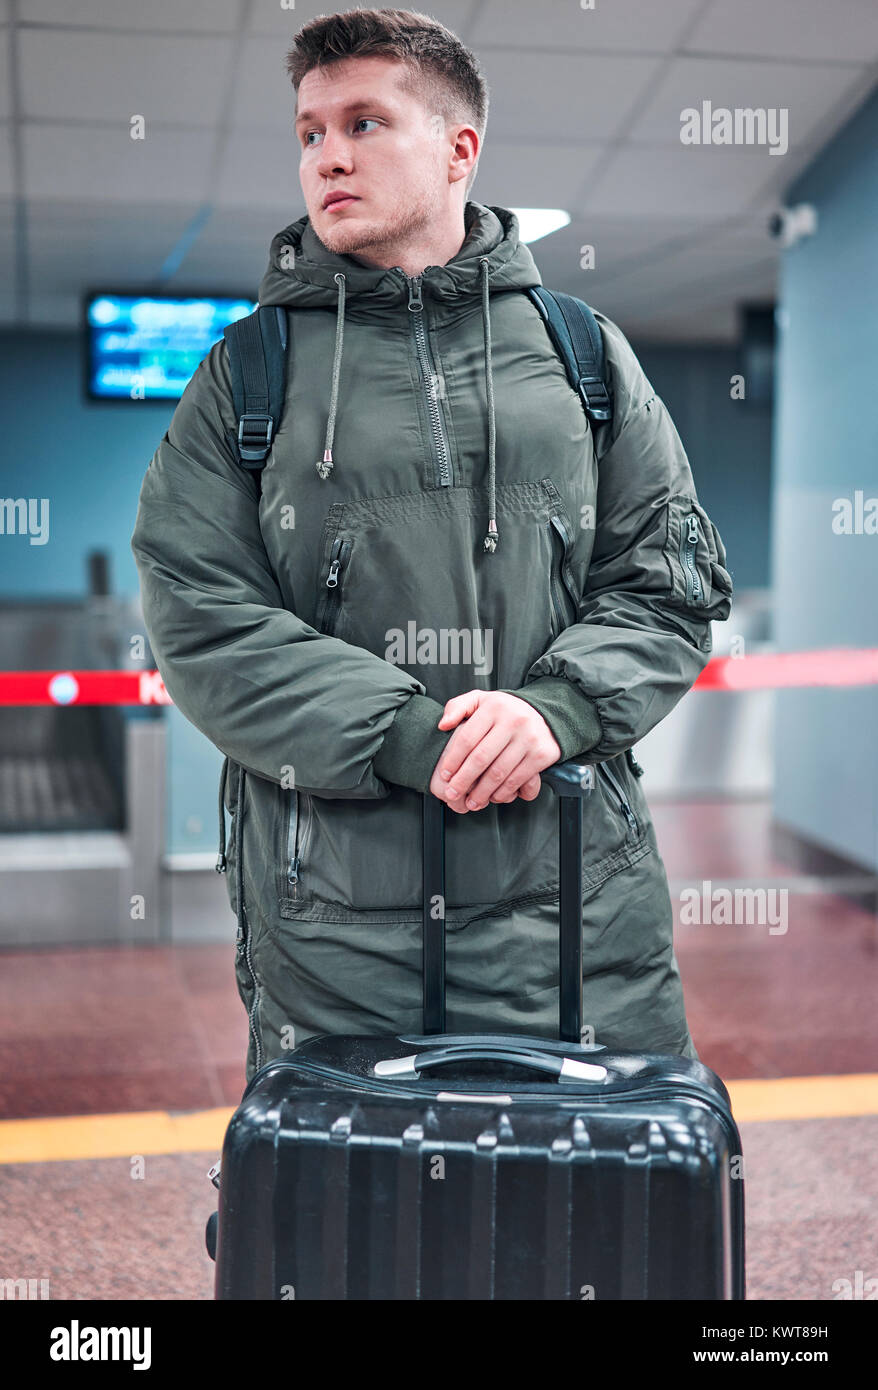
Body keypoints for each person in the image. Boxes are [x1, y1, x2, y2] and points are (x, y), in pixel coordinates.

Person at [131, 8, 733, 1082]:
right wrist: (413, 735)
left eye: (364, 122)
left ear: (460, 149)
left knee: (594, 1213)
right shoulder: (245, 376)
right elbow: (198, 614)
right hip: (332, 921)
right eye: (310, 132)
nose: (328, 155)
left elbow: (667, 582)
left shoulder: (581, 354)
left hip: (577, 910)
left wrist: (554, 710)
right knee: (351, 1227)